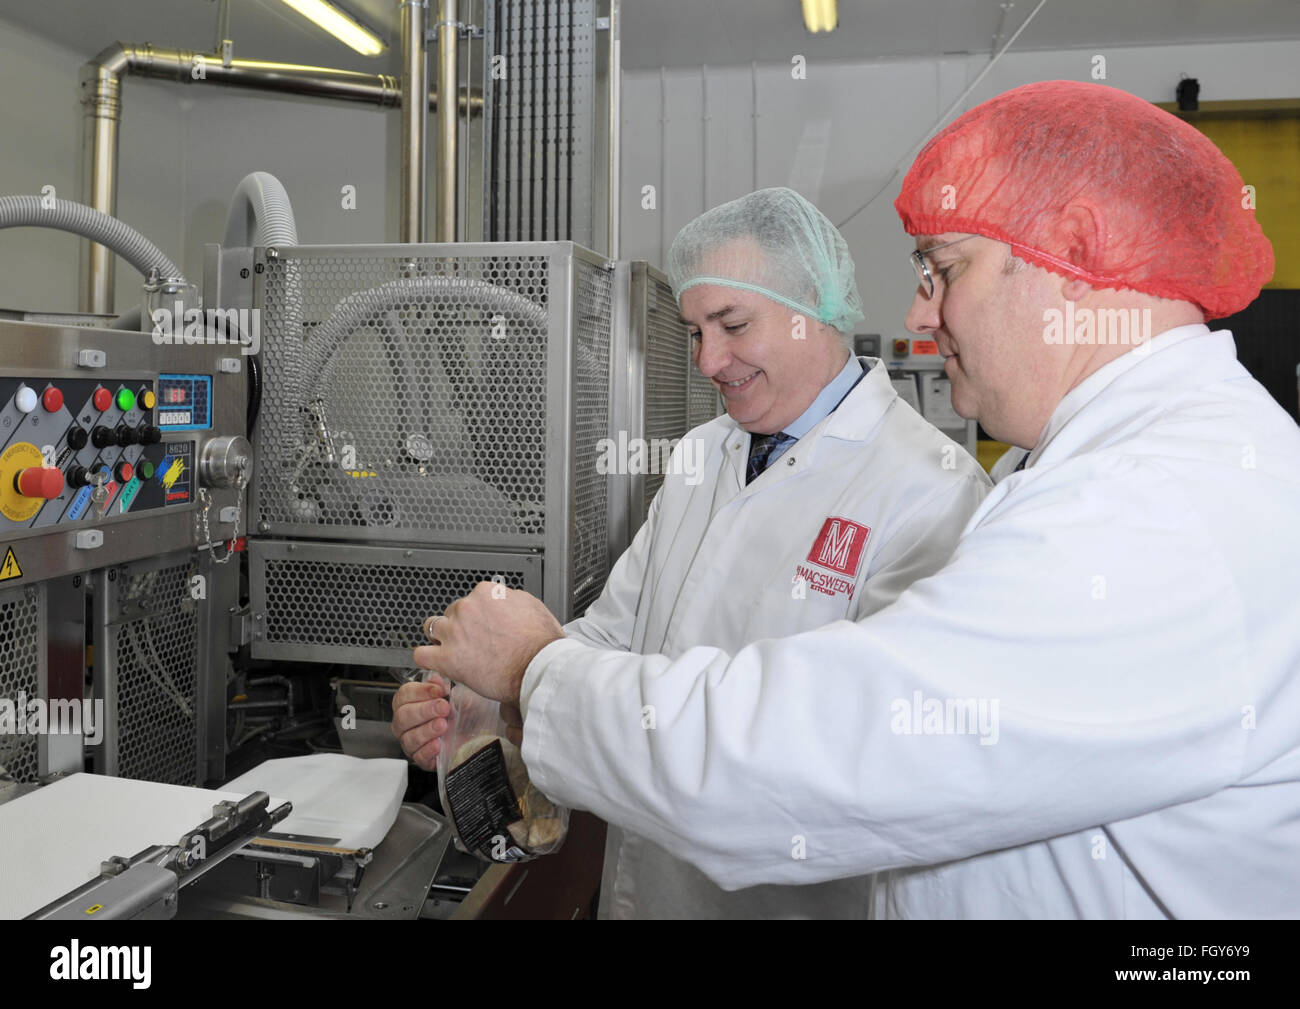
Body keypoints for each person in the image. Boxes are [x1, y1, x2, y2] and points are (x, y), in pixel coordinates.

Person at [413, 81, 1300, 919]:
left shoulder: (1152, 508)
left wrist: (537, 674)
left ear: (1071, 257)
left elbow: (818, 752)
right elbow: (630, 644)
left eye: (944, 267)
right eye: (696, 331)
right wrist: (509, 699)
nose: (920, 313)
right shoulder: (1108, 470)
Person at [393, 187, 992, 918]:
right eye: (693, 332)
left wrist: (531, 671)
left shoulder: (929, 491)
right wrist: (484, 702)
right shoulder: (702, 454)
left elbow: (856, 758)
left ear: (813, 310)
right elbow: (615, 637)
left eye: (733, 325)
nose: (709, 360)